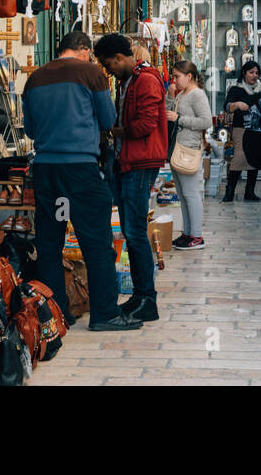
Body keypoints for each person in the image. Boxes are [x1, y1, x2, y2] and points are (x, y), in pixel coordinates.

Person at [23, 30, 141, 331]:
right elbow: (107, 119)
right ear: (84, 50)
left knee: (50, 242)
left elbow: (31, 130)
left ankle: (57, 313)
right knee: (96, 241)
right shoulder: (90, 73)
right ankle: (105, 313)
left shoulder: (35, 78)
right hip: (80, 171)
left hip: (48, 172)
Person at [94, 33, 166, 323]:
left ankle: (147, 298)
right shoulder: (127, 81)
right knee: (130, 229)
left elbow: (147, 124)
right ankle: (140, 295)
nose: (106, 69)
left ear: (120, 57)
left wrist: (116, 131)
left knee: (135, 232)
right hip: (127, 161)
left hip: (140, 161)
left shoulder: (146, 79)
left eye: (107, 63)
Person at [167, 60, 212, 250]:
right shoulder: (181, 95)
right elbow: (169, 114)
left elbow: (206, 121)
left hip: (188, 148)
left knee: (190, 193)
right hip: (177, 148)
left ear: (189, 76)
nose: (175, 80)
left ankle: (197, 236)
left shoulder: (197, 95)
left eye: (177, 76)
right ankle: (187, 233)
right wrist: (170, 97)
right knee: (183, 194)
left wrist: (181, 119)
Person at [223, 60, 261, 202]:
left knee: (255, 159)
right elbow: (227, 106)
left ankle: (250, 192)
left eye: (256, 73)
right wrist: (236, 104)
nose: (254, 75)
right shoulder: (236, 89)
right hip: (242, 128)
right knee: (239, 158)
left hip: (259, 129)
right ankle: (229, 192)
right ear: (244, 73)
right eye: (251, 72)